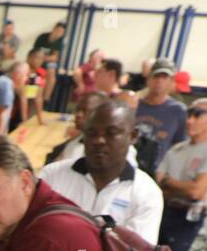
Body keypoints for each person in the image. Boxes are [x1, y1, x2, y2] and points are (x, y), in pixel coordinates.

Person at [40, 101, 163, 243]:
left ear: (133, 136)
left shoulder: (146, 193)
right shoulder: (52, 177)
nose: (99, 140)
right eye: (91, 133)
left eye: (111, 133)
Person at [156, 97, 207, 251]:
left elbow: (196, 191)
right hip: (164, 210)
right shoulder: (177, 149)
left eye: (198, 115)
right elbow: (158, 182)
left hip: (186, 218)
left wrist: (169, 182)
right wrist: (184, 187)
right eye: (189, 115)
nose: (190, 121)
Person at [136, 59, 188, 162]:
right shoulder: (135, 105)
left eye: (164, 77)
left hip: (158, 170)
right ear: (148, 79)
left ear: (172, 82)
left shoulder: (178, 110)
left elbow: (180, 146)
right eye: (156, 76)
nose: (159, 81)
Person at [0, 61, 25, 136]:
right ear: (17, 75)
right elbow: (0, 114)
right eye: (25, 75)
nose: (26, 79)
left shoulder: (5, 82)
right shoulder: (5, 85)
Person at [34, 21, 66, 102]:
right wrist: (41, 58)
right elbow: (34, 51)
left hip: (48, 63)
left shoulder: (60, 42)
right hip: (37, 59)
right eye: (58, 30)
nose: (59, 33)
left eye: (62, 32)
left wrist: (45, 58)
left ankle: (46, 98)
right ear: (54, 29)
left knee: (51, 71)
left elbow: (55, 57)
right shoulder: (42, 37)